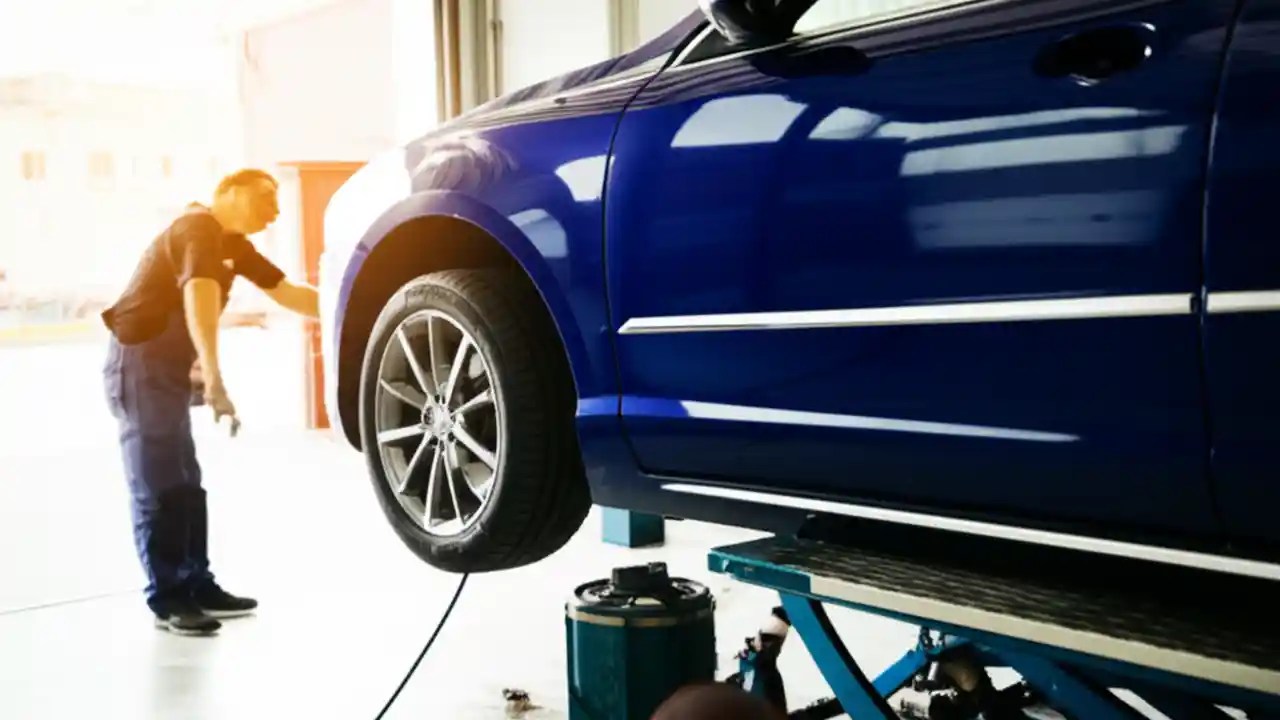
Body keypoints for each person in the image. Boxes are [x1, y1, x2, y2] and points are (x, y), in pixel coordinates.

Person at [100, 169, 319, 635]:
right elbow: (199, 293)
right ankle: (169, 598)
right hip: (140, 365)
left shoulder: (232, 245)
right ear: (228, 192)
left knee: (186, 483)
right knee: (159, 486)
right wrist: (215, 378)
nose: (274, 211)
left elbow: (288, 292)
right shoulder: (196, 228)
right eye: (265, 198)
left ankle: (197, 584)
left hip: (170, 368)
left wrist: (359, 301)